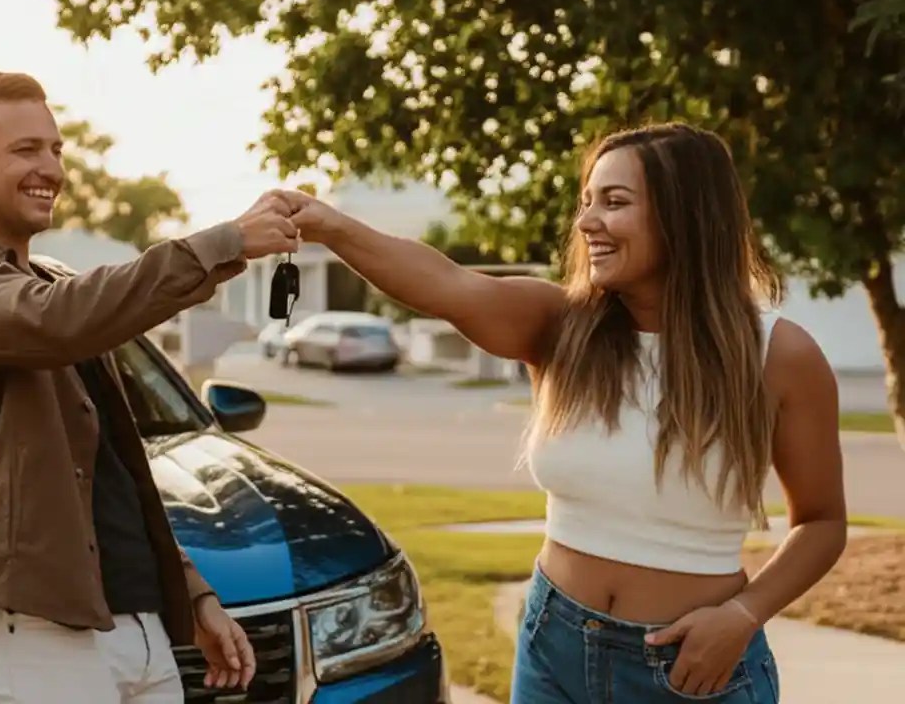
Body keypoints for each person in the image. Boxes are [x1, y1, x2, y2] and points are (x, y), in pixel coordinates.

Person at [278, 122, 847, 702]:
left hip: (694, 668)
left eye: (614, 202)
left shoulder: (779, 355)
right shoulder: (560, 325)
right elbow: (442, 283)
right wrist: (328, 223)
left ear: (686, 216)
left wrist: (745, 614)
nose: (586, 223)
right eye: (586, 202)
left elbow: (822, 522)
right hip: (554, 646)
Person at [0, 71, 300, 703]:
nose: (50, 168)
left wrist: (193, 594)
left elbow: (115, 471)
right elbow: (61, 322)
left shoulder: (55, 282)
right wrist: (225, 242)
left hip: (140, 629)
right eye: (26, 149)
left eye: (55, 149)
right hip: (40, 636)